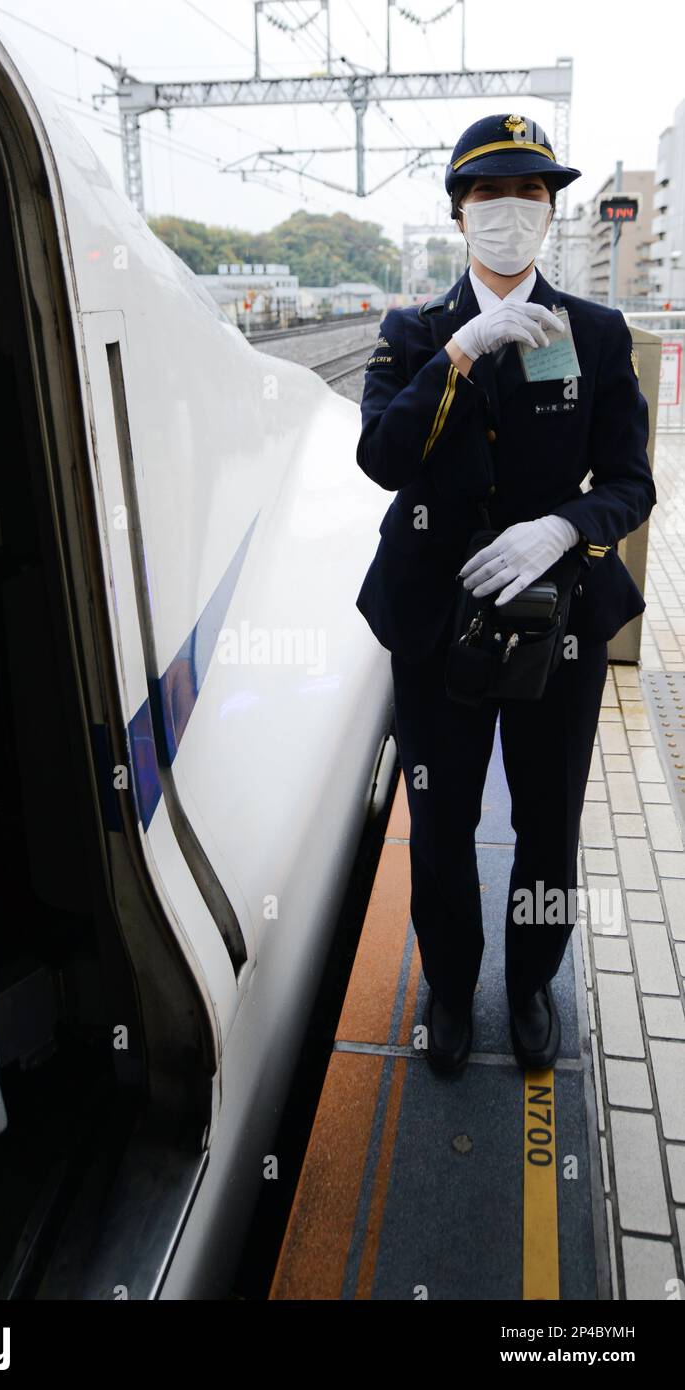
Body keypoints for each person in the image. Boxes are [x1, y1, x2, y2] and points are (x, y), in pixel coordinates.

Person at [355, 113, 657, 1074]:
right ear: (459, 212)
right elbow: (381, 456)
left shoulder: (600, 336)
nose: (512, 210)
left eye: (533, 192)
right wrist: (461, 353)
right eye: (491, 192)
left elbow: (630, 483)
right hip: (434, 619)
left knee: (547, 815)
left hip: (556, 620)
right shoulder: (412, 335)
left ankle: (530, 981)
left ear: (551, 213)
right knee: (439, 818)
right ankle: (450, 986)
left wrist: (562, 527)